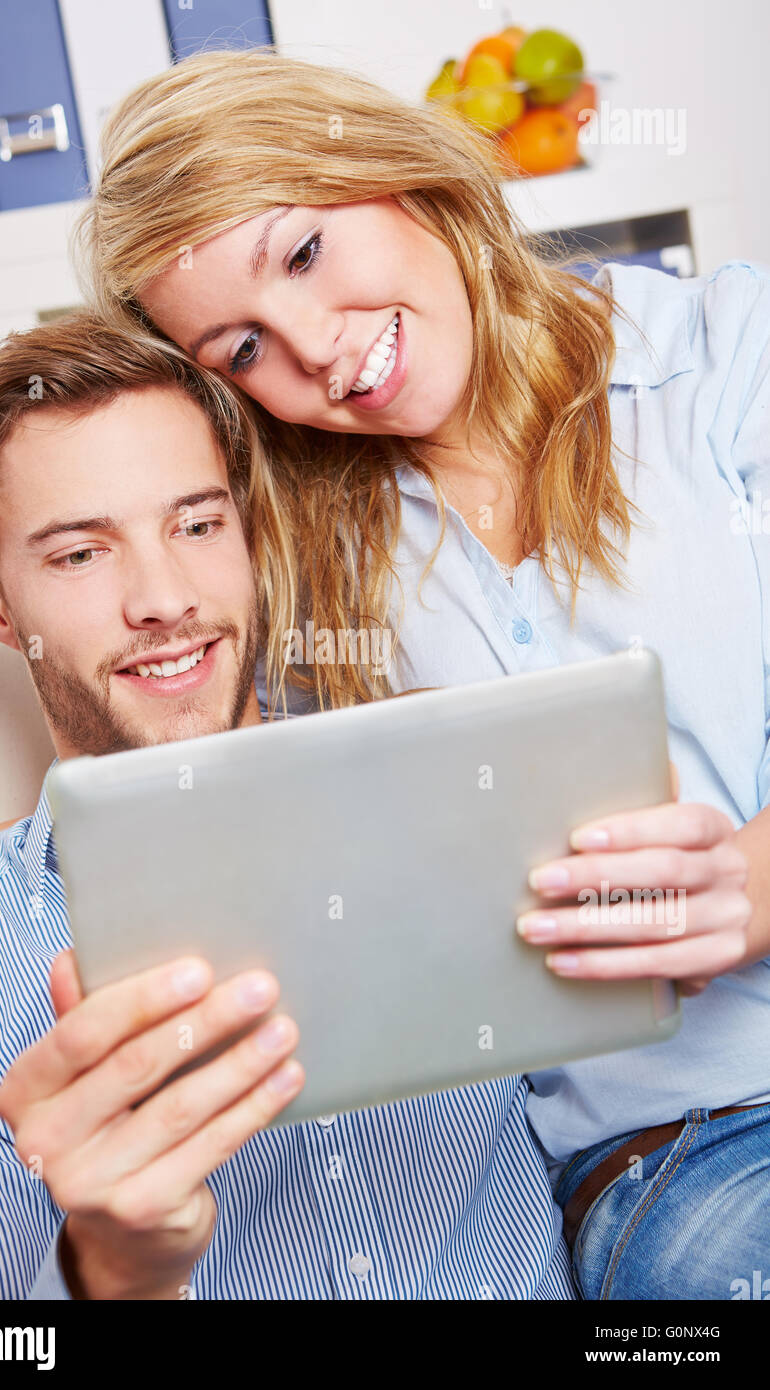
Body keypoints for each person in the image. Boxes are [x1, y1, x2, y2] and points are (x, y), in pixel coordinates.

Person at [76, 48, 770, 1298]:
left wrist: (751, 881)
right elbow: (154, 797)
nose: (317, 353)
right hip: (685, 1160)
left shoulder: (724, 357)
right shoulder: (295, 572)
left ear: (384, 170)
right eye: (243, 347)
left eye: (300, 254)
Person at [0, 315, 574, 1300]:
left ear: (249, 536)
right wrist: (116, 1270)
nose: (164, 597)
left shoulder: (440, 793)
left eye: (197, 523)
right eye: (81, 554)